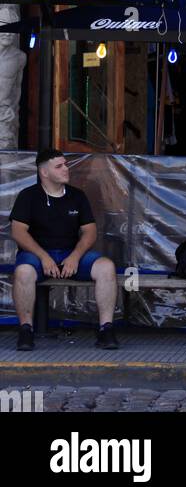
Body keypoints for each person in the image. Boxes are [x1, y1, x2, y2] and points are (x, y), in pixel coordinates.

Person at [10, 149, 119, 351]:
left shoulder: (77, 196)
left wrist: (75, 257)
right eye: (59, 166)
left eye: (66, 164)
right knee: (23, 271)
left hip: (71, 254)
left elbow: (90, 232)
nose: (66, 169)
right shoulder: (29, 196)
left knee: (106, 267)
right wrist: (43, 257)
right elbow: (18, 232)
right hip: (36, 256)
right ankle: (26, 330)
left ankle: (106, 329)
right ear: (44, 172)